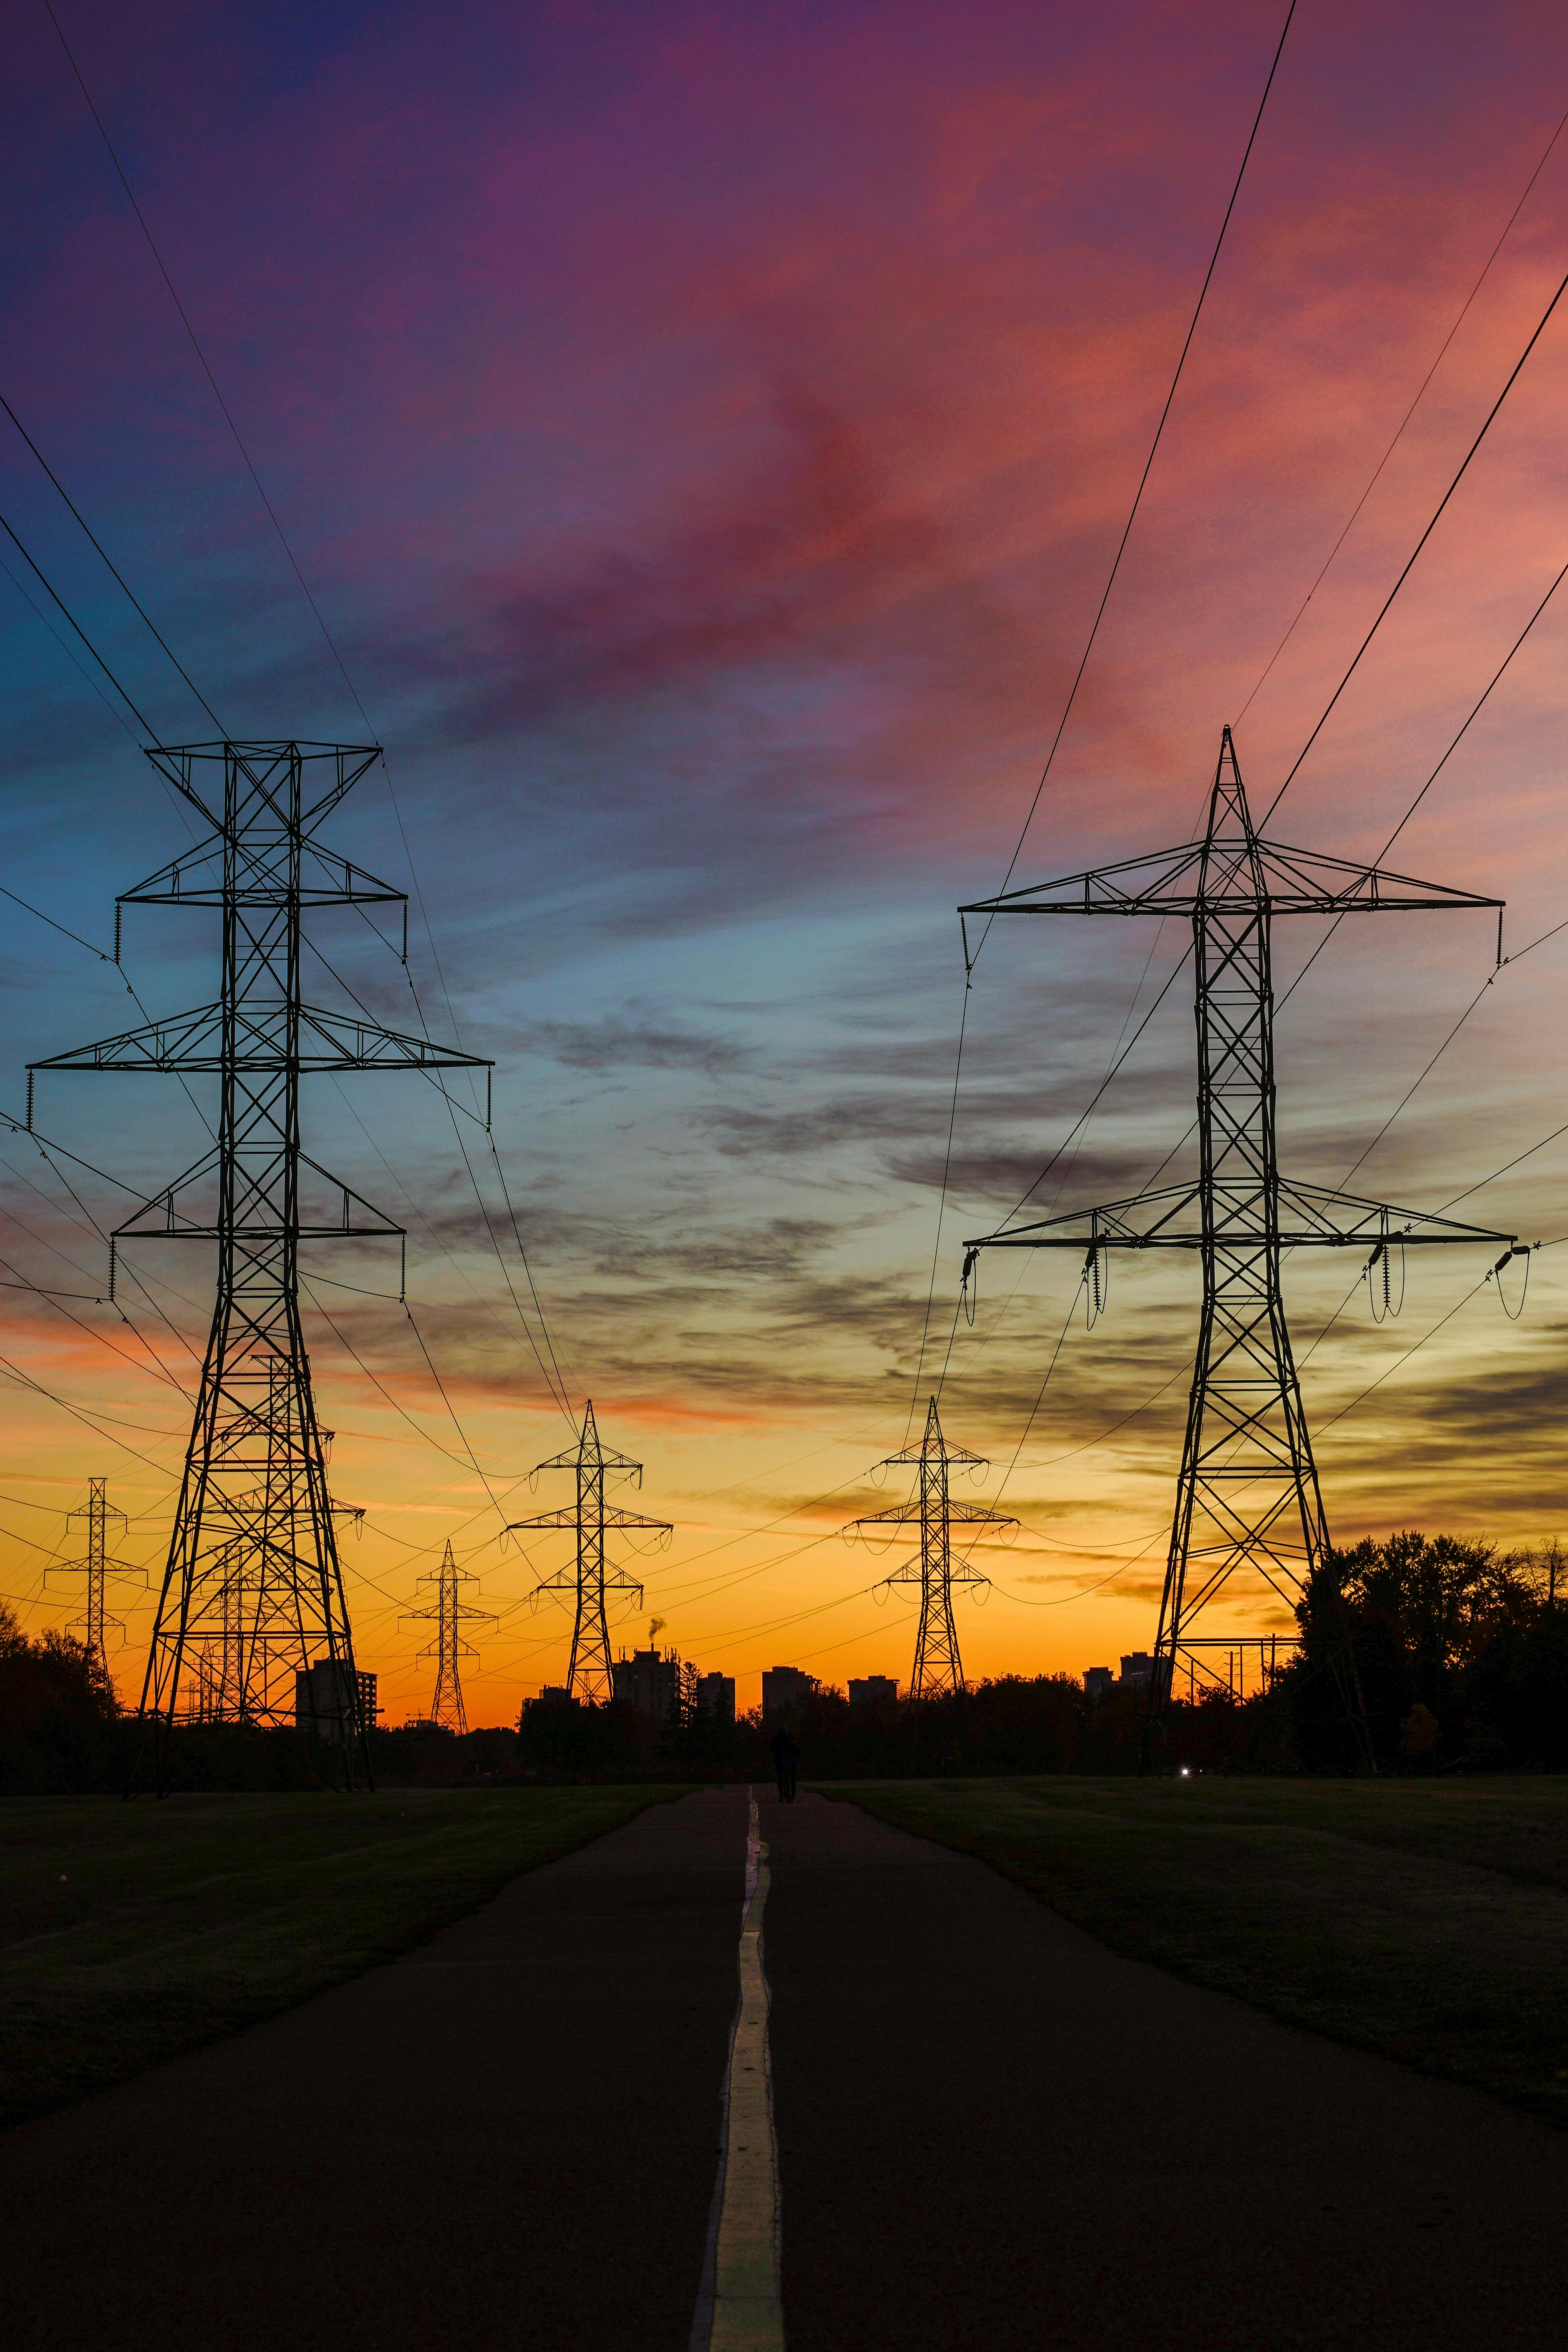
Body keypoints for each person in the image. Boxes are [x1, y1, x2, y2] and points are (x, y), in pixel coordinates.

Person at [769, 1726, 799, 1802]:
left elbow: (771, 1749)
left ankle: (782, 1794)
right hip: (790, 1763)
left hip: (780, 1761)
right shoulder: (789, 1742)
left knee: (781, 1778)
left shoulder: (776, 1740)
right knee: (790, 1780)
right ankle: (790, 1795)